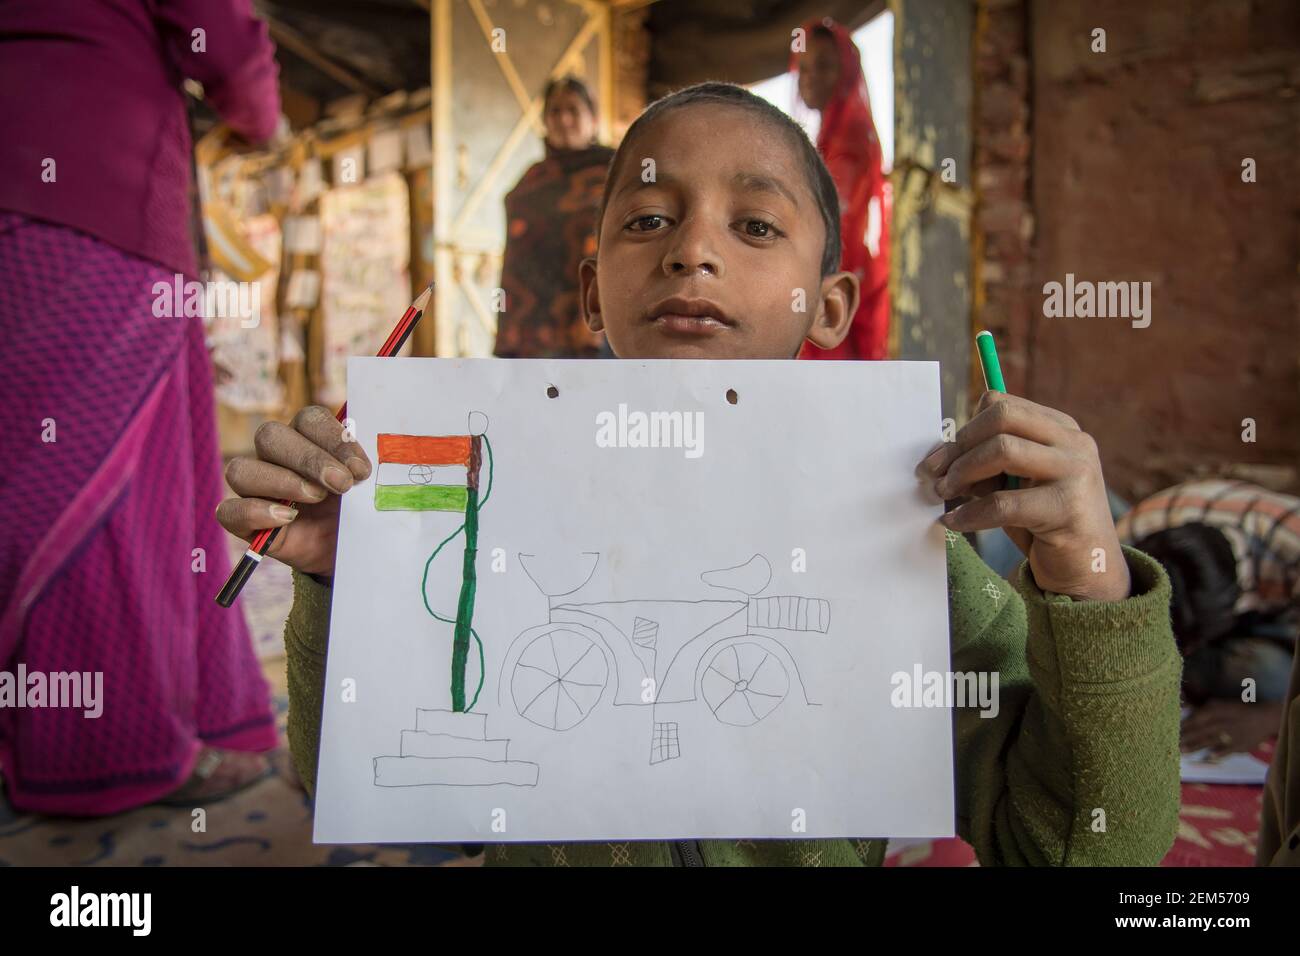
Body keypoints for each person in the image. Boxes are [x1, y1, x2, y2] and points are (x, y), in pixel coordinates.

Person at [218, 82, 1181, 866]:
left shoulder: (900, 542)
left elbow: (1079, 848)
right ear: (593, 290)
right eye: (646, 217)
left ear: (832, 307)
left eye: (756, 227)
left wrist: (1090, 579)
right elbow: (397, 796)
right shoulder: (497, 504)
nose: (693, 250)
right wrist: (353, 581)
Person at [0, 0, 282, 814]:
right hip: (94, 198)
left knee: (31, 465)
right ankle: (108, 741)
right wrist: (257, 112)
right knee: (114, 481)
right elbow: (225, 44)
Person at [1117, 479, 1299, 756]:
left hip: (1279, 619)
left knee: (1272, 679)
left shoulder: (1292, 544)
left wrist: (1274, 717)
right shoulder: (1135, 536)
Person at [493, 76, 616, 359]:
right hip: (533, 323)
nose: (563, 119)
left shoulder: (615, 170)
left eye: (573, 110)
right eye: (555, 111)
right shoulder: (532, 180)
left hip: (598, 317)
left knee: (592, 397)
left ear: (593, 119)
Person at [792, 18, 889, 361]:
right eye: (803, 67)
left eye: (824, 66)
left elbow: (839, 225)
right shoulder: (829, 136)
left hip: (839, 281)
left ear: (846, 72)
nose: (810, 77)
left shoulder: (849, 139)